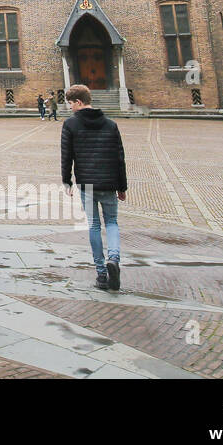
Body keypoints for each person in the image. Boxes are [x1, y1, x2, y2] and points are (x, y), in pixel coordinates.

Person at [60, 84, 128, 292]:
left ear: (78, 102)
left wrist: (67, 181)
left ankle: (101, 273)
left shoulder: (70, 124)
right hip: (109, 182)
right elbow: (119, 158)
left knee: (94, 225)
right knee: (112, 222)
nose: (69, 107)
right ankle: (114, 259)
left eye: (70, 103)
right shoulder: (110, 124)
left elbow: (67, 155)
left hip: (87, 183)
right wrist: (122, 186)